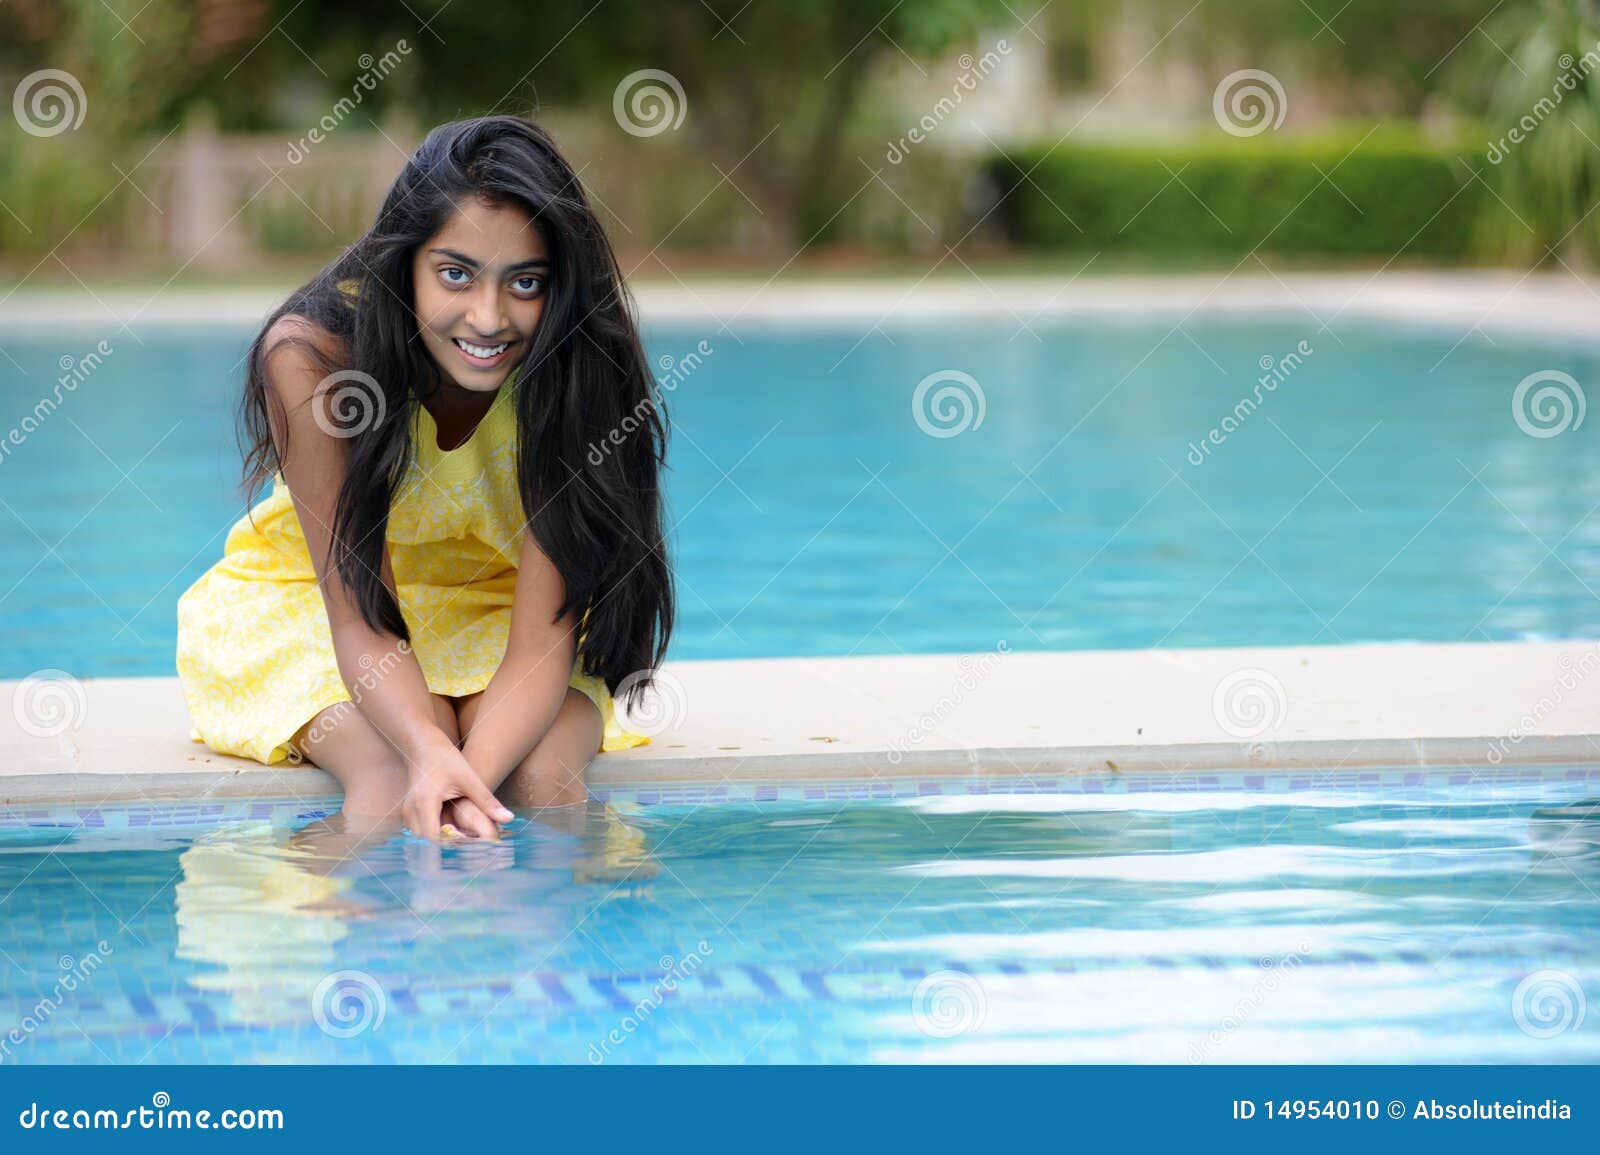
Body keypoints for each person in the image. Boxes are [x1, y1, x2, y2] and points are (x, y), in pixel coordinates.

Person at [176, 115, 675, 842]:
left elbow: (539, 644)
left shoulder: (576, 371)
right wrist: (428, 752)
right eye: (455, 274)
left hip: (506, 618)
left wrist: (460, 775)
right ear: (404, 261)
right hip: (317, 611)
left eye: (525, 282)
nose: (488, 317)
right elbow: (358, 617)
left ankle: (552, 950)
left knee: (540, 776)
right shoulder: (317, 360)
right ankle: (349, 944)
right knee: (386, 776)